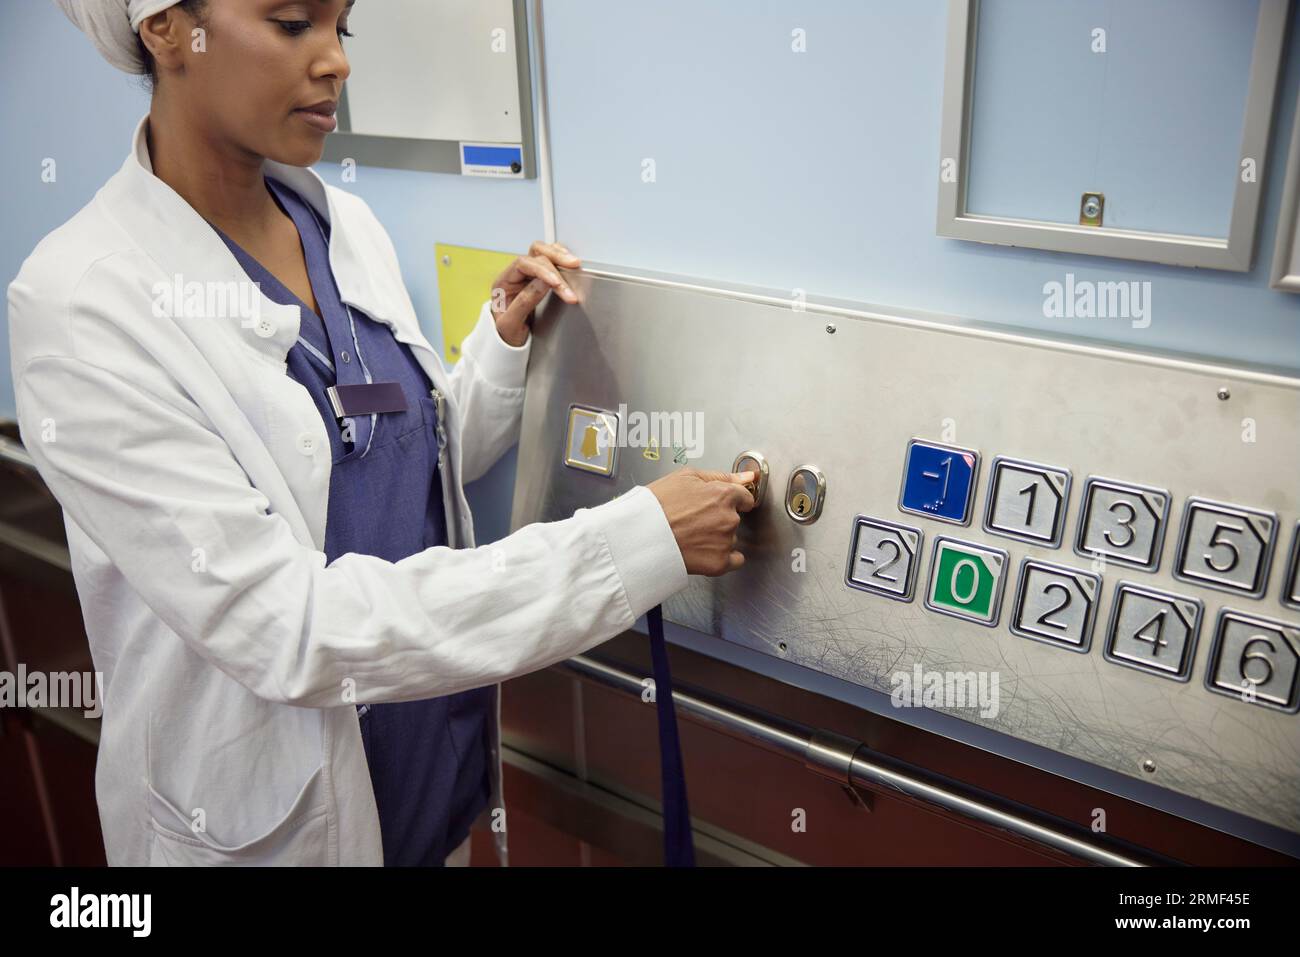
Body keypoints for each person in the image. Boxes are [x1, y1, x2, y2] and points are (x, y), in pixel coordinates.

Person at [8, 0, 754, 866]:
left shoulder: (342, 226)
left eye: (342, 28)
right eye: (293, 24)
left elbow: (399, 472)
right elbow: (286, 626)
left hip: (432, 793)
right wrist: (633, 544)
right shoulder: (81, 303)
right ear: (168, 30)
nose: (335, 62)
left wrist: (503, 347)